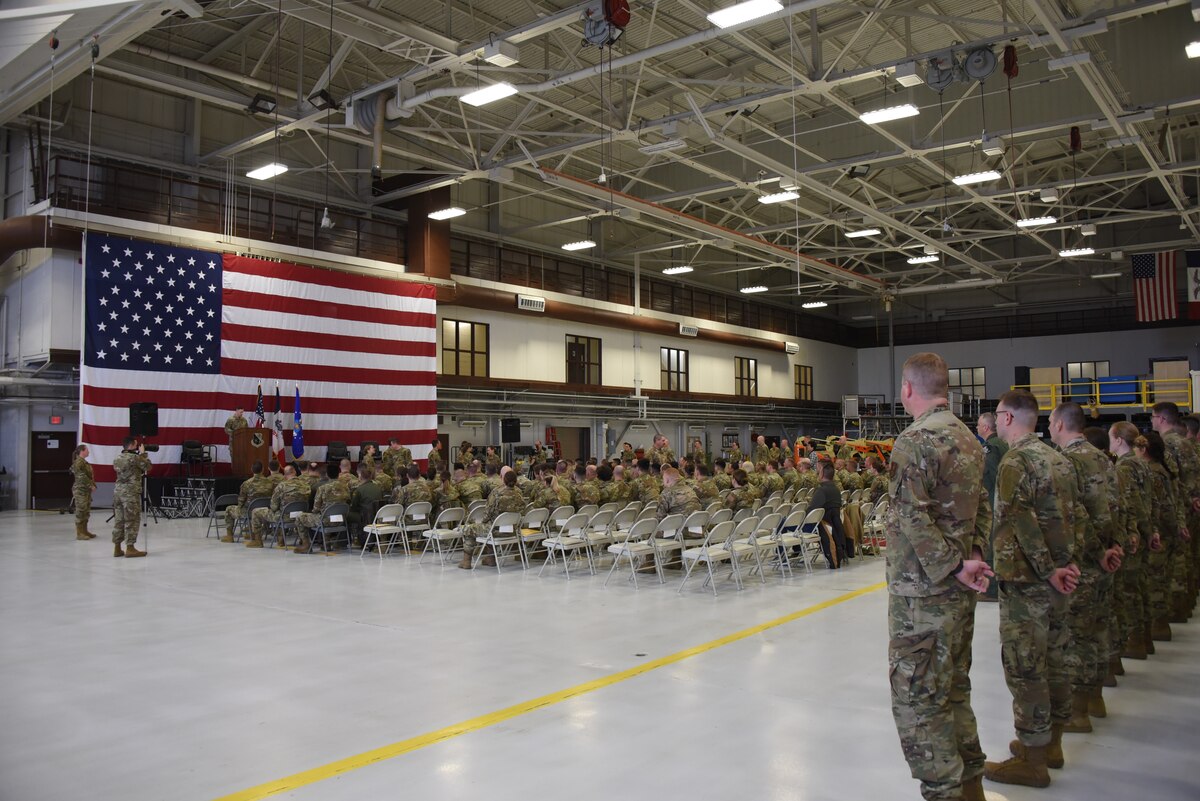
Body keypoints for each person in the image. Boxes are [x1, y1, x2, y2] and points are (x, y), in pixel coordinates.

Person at [885, 351, 992, 801]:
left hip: (923, 597)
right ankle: (970, 787)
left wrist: (952, 566)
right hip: (959, 590)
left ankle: (945, 792)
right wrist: (972, 557)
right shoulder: (969, 438)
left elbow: (911, 514)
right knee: (953, 688)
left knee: (918, 698)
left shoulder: (915, 440)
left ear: (908, 388)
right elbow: (983, 506)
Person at [985, 389, 1079, 789]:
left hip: (1028, 581)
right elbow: (1072, 516)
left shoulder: (1015, 461)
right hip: (1057, 579)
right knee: (1055, 659)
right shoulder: (1058, 459)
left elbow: (1021, 522)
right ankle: (1050, 744)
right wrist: (1065, 564)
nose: (995, 420)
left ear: (1007, 418)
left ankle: (1032, 759)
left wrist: (1046, 569)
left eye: (997, 414)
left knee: (1025, 667)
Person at [1048, 402, 1121, 732]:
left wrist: (1098, 551)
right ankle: (1094, 699)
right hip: (1105, 558)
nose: (1050, 427)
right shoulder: (1103, 458)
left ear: (1061, 424)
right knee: (1096, 630)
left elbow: (1073, 514)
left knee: (1074, 637)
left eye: (1051, 421)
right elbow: (1116, 506)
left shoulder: (1065, 461)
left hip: (1081, 560)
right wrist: (1114, 546)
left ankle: (1076, 712)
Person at [1109, 422, 1154, 660]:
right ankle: (1144, 639)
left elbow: (1129, 503)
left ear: (1118, 440)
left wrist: (1134, 532)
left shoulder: (1124, 467)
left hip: (1132, 533)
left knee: (1127, 592)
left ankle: (1133, 642)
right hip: (1143, 529)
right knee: (1138, 587)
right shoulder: (1141, 463)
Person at [459, 469, 526, 569]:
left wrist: (483, 522)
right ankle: (490, 558)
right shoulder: (519, 494)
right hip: (513, 531)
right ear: (515, 481)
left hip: (495, 531)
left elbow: (488, 513)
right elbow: (522, 511)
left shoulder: (496, 493)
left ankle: (466, 562)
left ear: (503, 480)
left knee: (469, 528)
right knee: (489, 527)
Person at [248, 465, 311, 548]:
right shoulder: (306, 485)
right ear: (295, 472)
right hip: (300, 516)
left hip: (284, 517)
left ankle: (258, 541)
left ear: (284, 475)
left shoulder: (281, 486)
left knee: (256, 512)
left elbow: (273, 506)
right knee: (281, 512)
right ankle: (287, 540)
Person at [294, 463, 351, 553]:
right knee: (325, 514)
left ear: (327, 474)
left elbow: (316, 509)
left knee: (300, 517)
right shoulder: (346, 488)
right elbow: (348, 502)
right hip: (341, 519)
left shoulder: (322, 488)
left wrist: (314, 512)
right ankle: (326, 545)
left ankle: (306, 545)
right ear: (339, 474)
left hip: (325, 521)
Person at [111, 436, 151, 557]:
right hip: (130, 493)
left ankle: (117, 548)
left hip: (118, 492)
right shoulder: (135, 458)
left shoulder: (118, 458)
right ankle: (130, 548)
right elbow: (148, 467)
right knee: (132, 519)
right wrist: (143, 454)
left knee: (119, 520)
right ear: (132, 445)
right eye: (136, 445)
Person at [222, 460, 274, 542]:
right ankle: (253, 532)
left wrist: (239, 508)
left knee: (229, 509)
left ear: (251, 470)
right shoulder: (270, 483)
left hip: (248, 512)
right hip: (264, 511)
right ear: (263, 469)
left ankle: (230, 536)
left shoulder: (247, 483)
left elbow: (241, 500)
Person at [809, 461, 847, 568]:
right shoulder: (836, 490)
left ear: (821, 474)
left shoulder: (821, 491)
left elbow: (812, 511)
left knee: (784, 523)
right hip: (832, 524)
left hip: (819, 524)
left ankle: (788, 554)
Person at [70, 444, 97, 540]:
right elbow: (81, 476)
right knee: (81, 511)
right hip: (80, 490)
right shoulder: (78, 462)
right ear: (82, 451)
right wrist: (90, 485)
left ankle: (85, 531)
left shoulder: (84, 462)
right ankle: (79, 533)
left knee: (86, 511)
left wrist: (93, 484)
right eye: (87, 450)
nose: (88, 451)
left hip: (85, 490)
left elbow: (89, 476)